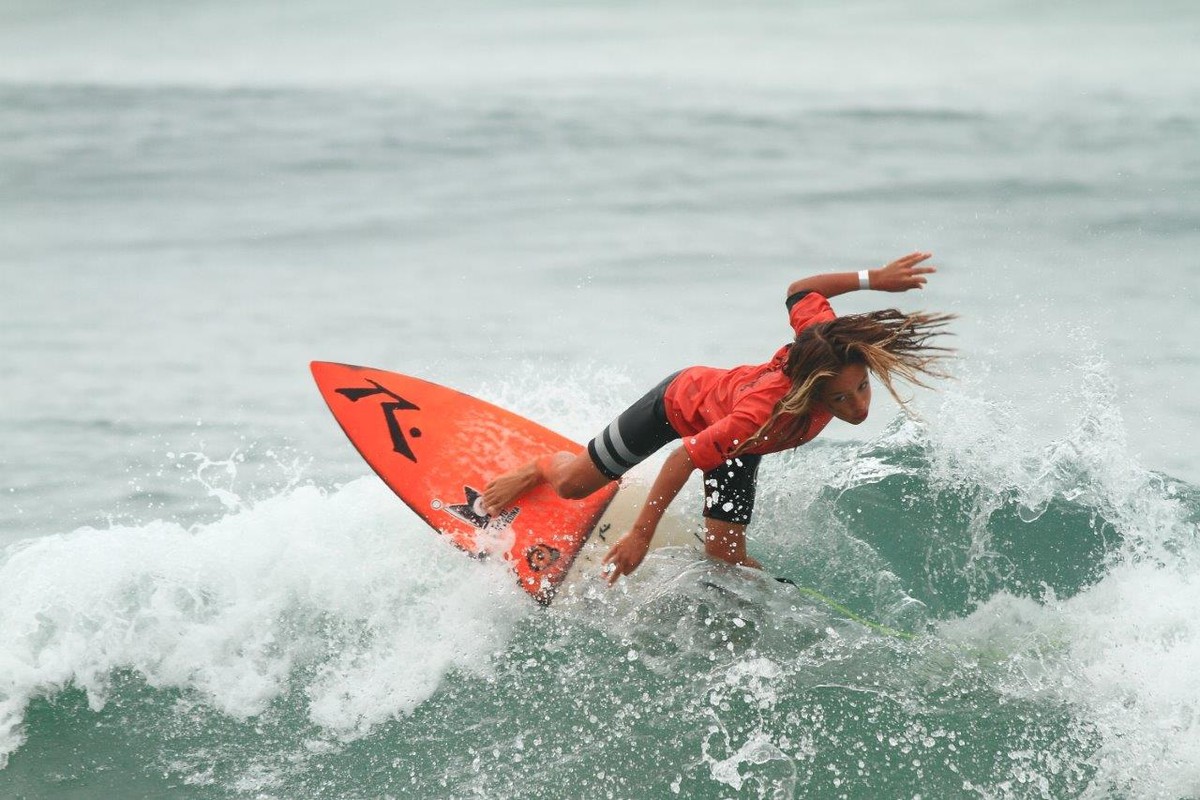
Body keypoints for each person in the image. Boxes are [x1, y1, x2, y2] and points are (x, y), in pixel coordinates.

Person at [482, 251, 953, 585]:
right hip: (678, 406)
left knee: (726, 558)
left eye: (862, 388)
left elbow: (800, 290)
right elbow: (683, 458)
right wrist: (641, 533)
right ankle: (540, 466)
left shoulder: (823, 343)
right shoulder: (762, 413)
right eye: (840, 399)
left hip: (740, 447)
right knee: (573, 486)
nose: (859, 407)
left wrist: (875, 278)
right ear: (810, 390)